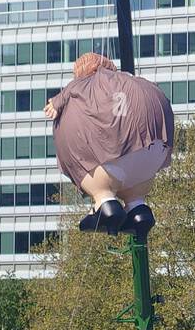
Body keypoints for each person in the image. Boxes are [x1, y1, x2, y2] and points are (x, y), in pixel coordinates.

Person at [44, 53, 174, 237]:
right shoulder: (138, 82)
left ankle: (105, 203)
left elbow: (72, 89)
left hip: (107, 156)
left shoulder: (85, 83)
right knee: (135, 194)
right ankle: (138, 210)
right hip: (152, 155)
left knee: (103, 186)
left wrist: (56, 102)